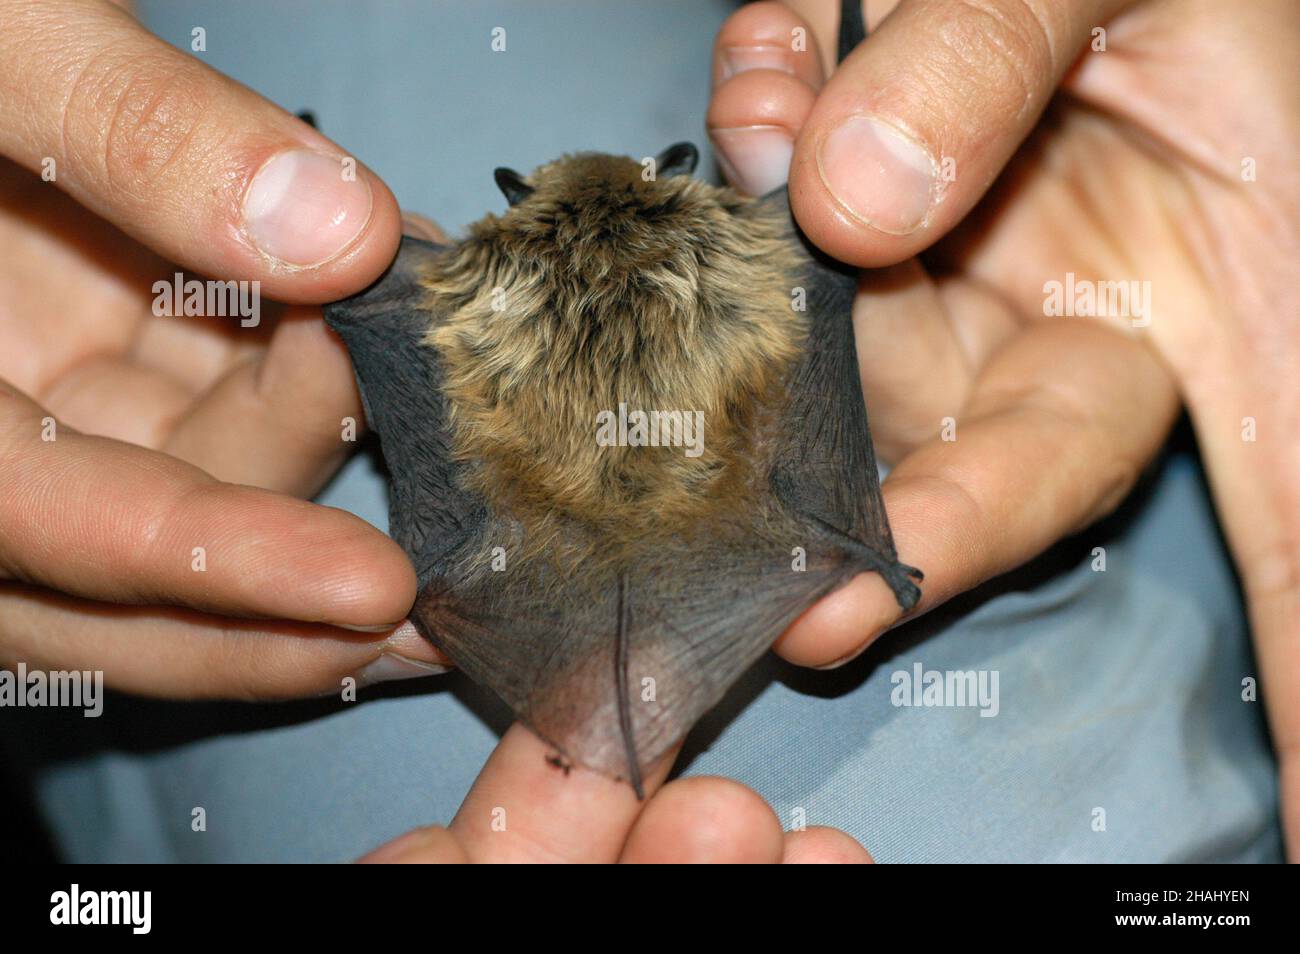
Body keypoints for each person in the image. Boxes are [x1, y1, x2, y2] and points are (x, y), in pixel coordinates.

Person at [0, 0, 1291, 862]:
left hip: (539, 514)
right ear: (679, 185)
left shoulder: (443, 301)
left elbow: (394, 311)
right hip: (719, 499)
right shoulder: (754, 261)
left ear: (515, 214)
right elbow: (807, 277)